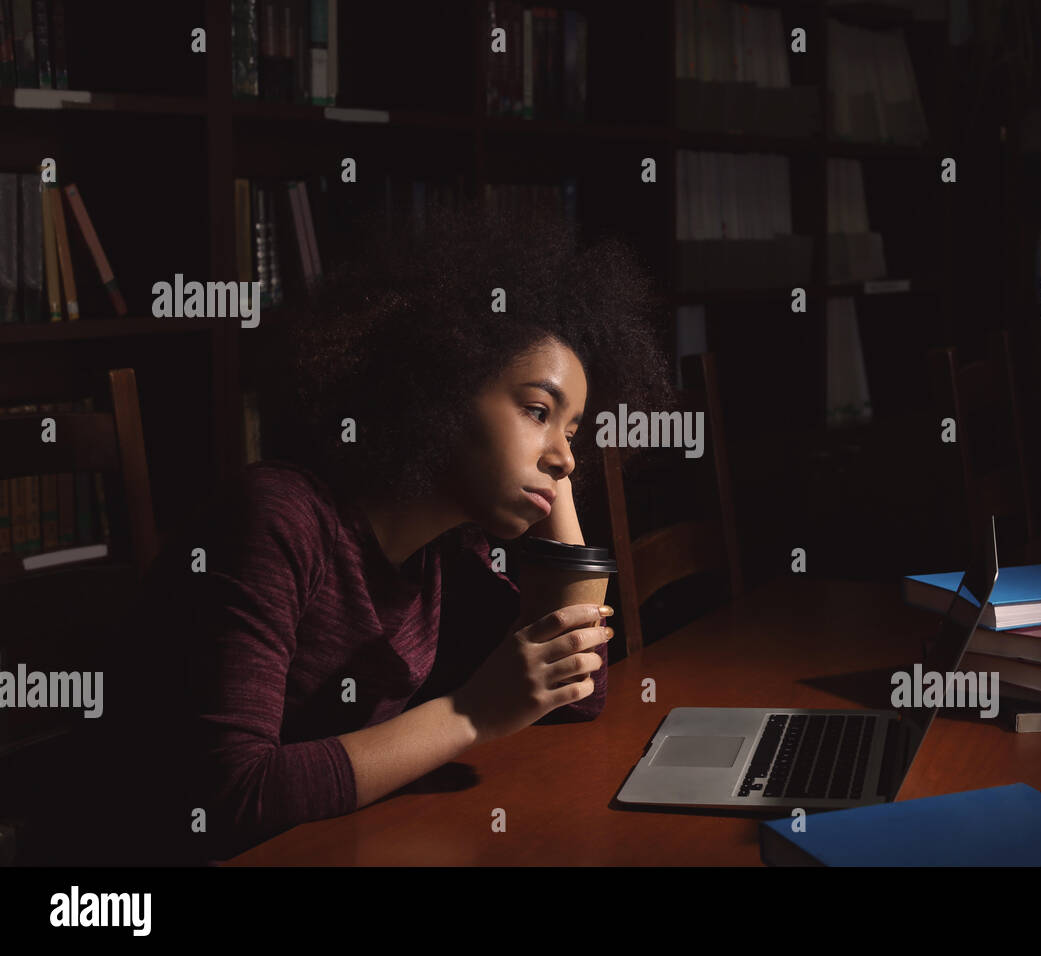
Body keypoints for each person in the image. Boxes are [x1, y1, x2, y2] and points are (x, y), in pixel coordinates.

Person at [70, 202, 676, 865]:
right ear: (441, 387)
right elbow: (228, 795)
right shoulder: (278, 518)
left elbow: (574, 694)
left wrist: (551, 464)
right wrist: (471, 715)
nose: (566, 459)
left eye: (574, 431)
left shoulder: (444, 553)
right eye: (536, 410)